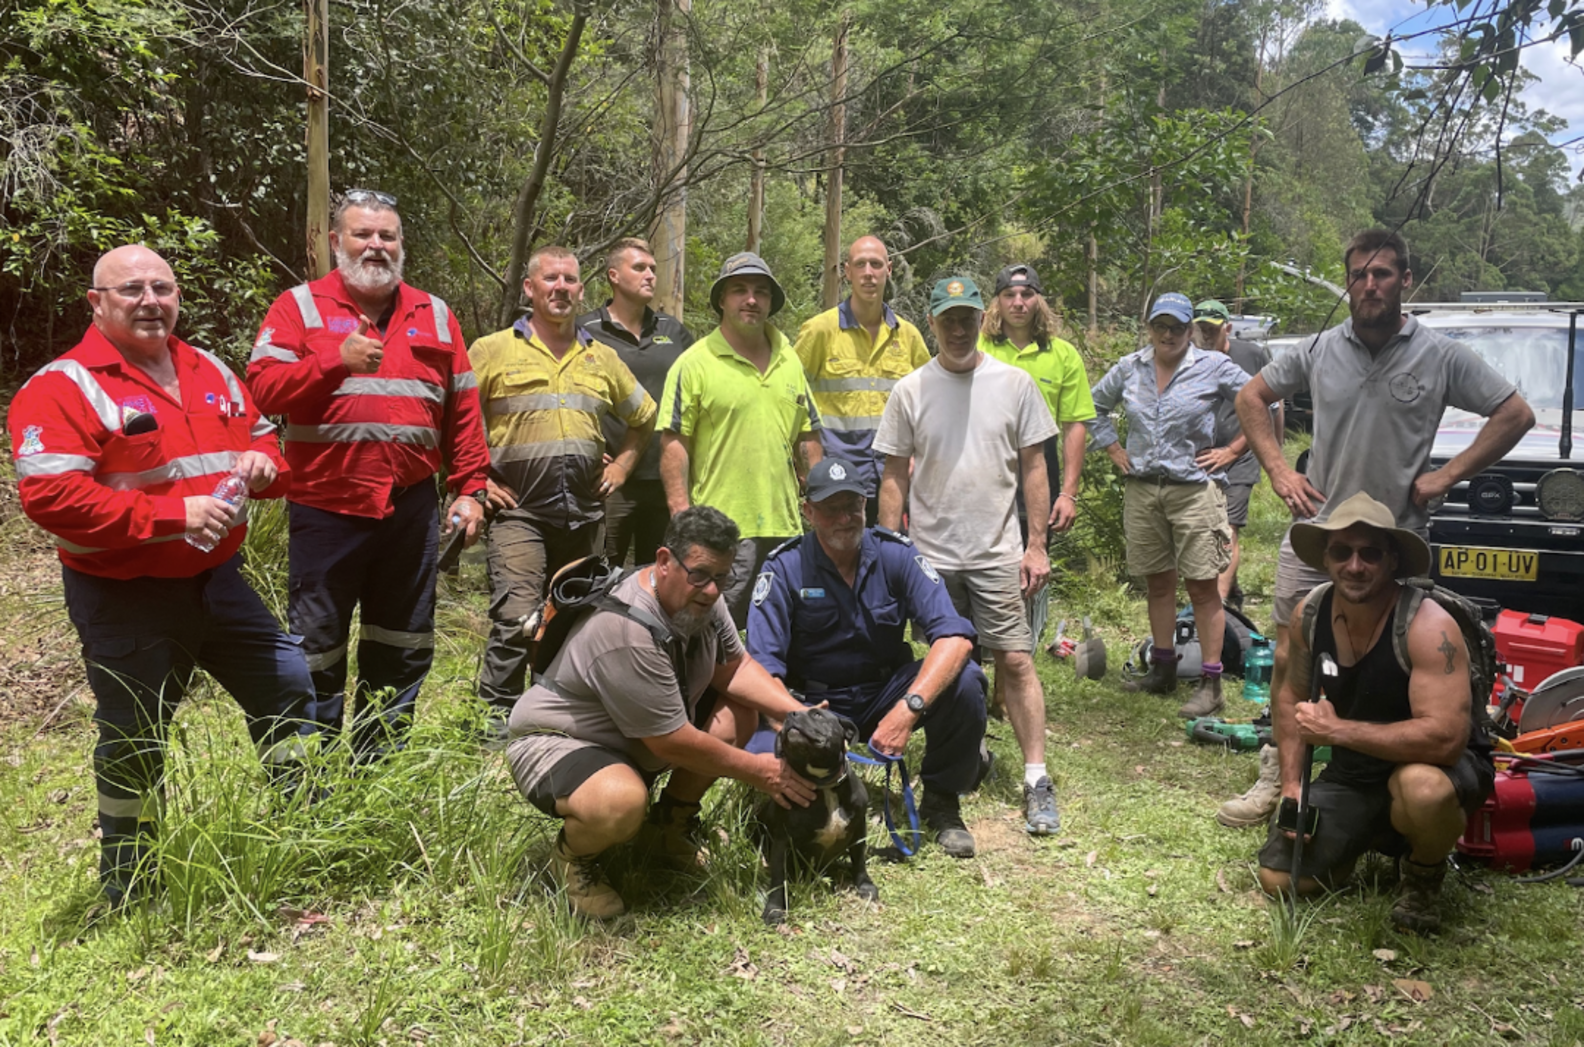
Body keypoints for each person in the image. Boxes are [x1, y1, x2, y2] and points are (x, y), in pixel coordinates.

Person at [9, 245, 312, 905]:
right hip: (123, 591)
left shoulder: (209, 369)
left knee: (287, 683)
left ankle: (306, 828)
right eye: (132, 289)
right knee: (134, 735)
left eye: (163, 288)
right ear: (96, 303)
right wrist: (175, 514)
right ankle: (132, 884)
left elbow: (263, 436)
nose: (150, 300)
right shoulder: (61, 387)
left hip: (217, 578)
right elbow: (51, 498)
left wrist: (265, 464)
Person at [1222, 228, 1532, 828]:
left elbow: (1514, 413)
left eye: (1382, 273)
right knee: (1290, 657)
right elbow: (1252, 396)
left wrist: (1448, 475)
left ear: (1404, 280)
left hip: (1397, 543)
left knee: (1397, 664)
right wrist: (1280, 470)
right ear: (1348, 283)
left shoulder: (1439, 355)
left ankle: (1389, 789)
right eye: (1358, 275)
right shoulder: (1318, 349)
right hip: (1318, 532)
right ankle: (1283, 780)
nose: (1369, 285)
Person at [246, 190, 491, 761]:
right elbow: (263, 390)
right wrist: (335, 360)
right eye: (363, 235)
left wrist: (471, 488)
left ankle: (378, 765)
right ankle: (313, 775)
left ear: (401, 244)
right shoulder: (298, 307)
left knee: (402, 643)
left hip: (411, 509)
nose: (376, 246)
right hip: (326, 507)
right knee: (317, 648)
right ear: (336, 242)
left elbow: (463, 409)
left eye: (388, 236)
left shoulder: (434, 313)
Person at [503, 506, 817, 919]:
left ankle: (668, 827)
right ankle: (572, 857)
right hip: (560, 741)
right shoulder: (627, 629)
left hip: (638, 736)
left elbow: (735, 669)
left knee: (742, 709)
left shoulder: (703, 599)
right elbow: (670, 742)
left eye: (722, 577)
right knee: (619, 802)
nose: (711, 590)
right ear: (665, 560)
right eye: (700, 575)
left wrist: (800, 715)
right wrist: (762, 772)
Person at [875, 276, 1063, 835]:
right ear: (931, 323)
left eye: (967, 318)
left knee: (1016, 660)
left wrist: (1036, 545)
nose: (957, 329)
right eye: (947, 319)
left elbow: (1035, 466)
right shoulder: (911, 390)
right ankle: (964, 755)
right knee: (951, 667)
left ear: (983, 320)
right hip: (932, 558)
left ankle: (1036, 778)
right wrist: (887, 550)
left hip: (997, 551)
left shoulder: (1015, 383)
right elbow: (893, 474)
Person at [1256, 492, 1493, 934]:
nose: (1355, 565)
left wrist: (1338, 731)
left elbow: (1445, 740)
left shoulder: (1428, 625)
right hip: (1356, 773)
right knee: (1280, 880)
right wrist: (1291, 787)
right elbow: (1290, 697)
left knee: (1421, 791)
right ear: (1326, 559)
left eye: (1370, 553)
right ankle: (1372, 836)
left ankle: (1424, 872)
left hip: (1438, 768)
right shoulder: (1310, 614)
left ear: (1392, 561)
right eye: (1341, 552)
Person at [747, 457, 989, 858]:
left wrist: (908, 709)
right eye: (831, 509)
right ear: (808, 512)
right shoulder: (784, 568)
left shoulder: (896, 555)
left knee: (966, 679)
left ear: (866, 504)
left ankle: (941, 801)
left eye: (853, 506)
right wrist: (804, 726)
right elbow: (760, 671)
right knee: (760, 755)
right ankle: (794, 818)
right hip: (812, 705)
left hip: (884, 694)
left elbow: (955, 638)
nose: (845, 518)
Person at [469, 246, 657, 741]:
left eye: (570, 280)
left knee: (572, 620)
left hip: (584, 514)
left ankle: (551, 723)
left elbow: (644, 416)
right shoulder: (492, 351)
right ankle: (492, 731)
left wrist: (623, 465)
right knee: (518, 617)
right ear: (529, 288)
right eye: (550, 278)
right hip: (519, 511)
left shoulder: (601, 357)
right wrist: (475, 480)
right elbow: (453, 418)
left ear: (581, 289)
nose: (561, 288)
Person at [1089, 293, 1250, 719]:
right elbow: (1092, 406)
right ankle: (1163, 668)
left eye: (1177, 327)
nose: (1168, 334)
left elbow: (1262, 401)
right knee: (1158, 582)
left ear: (1189, 329)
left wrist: (1234, 449)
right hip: (1144, 489)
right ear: (1149, 328)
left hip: (1195, 490)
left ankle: (1211, 683)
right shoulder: (1130, 367)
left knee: (1203, 586)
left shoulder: (1212, 366)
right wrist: (1113, 448)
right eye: (1160, 326)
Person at [658, 252, 823, 626]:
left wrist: (819, 501)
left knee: (787, 628)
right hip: (722, 531)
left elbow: (808, 435)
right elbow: (674, 443)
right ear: (722, 299)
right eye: (740, 290)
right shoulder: (694, 363)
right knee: (714, 630)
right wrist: (682, 515)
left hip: (786, 527)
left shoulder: (790, 360)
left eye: (761, 291)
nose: (751, 299)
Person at [979, 262, 1095, 662]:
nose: (1018, 302)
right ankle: (981, 648)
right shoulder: (978, 348)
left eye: (1026, 294)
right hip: (985, 465)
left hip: (1038, 469)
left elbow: (1075, 424)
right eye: (1009, 295)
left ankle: (1020, 650)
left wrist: (1069, 493)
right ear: (997, 302)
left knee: (1032, 557)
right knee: (983, 557)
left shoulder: (1063, 355)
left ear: (1039, 301)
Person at [793, 236, 931, 523]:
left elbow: (930, 404)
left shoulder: (908, 336)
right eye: (860, 265)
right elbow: (791, 398)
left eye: (876, 265)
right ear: (847, 271)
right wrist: (808, 468)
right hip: (836, 478)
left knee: (890, 549)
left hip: (895, 477)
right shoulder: (820, 331)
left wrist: (919, 455)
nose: (869, 273)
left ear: (889, 270)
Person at [577, 238, 694, 567]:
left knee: (661, 575)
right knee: (600, 573)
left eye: (653, 269)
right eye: (639, 268)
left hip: (665, 480)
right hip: (610, 482)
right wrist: (586, 449)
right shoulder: (584, 331)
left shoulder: (674, 331)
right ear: (613, 275)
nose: (650, 275)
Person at [1189, 299, 1281, 611]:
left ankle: (1219, 607)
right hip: (1201, 457)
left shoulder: (1251, 355)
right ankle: (1230, 588)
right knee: (1206, 528)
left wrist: (1269, 453)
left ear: (1227, 328)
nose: (1205, 335)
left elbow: (1272, 405)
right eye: (1200, 328)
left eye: (1211, 330)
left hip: (1241, 452)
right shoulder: (1186, 357)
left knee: (1229, 528)